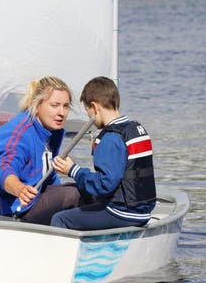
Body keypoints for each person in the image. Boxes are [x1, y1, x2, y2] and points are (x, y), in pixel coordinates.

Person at [0, 75, 81, 225]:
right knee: (72, 195)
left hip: (31, 203)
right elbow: (4, 171)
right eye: (54, 105)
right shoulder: (16, 133)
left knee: (88, 190)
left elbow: (48, 177)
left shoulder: (51, 132)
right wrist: (20, 189)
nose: (61, 112)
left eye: (66, 106)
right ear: (37, 105)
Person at [50, 76, 156, 230]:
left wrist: (73, 170)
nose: (89, 118)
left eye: (87, 111)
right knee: (86, 199)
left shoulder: (111, 138)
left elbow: (105, 184)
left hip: (121, 213)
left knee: (60, 219)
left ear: (95, 107)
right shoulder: (137, 129)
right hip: (143, 212)